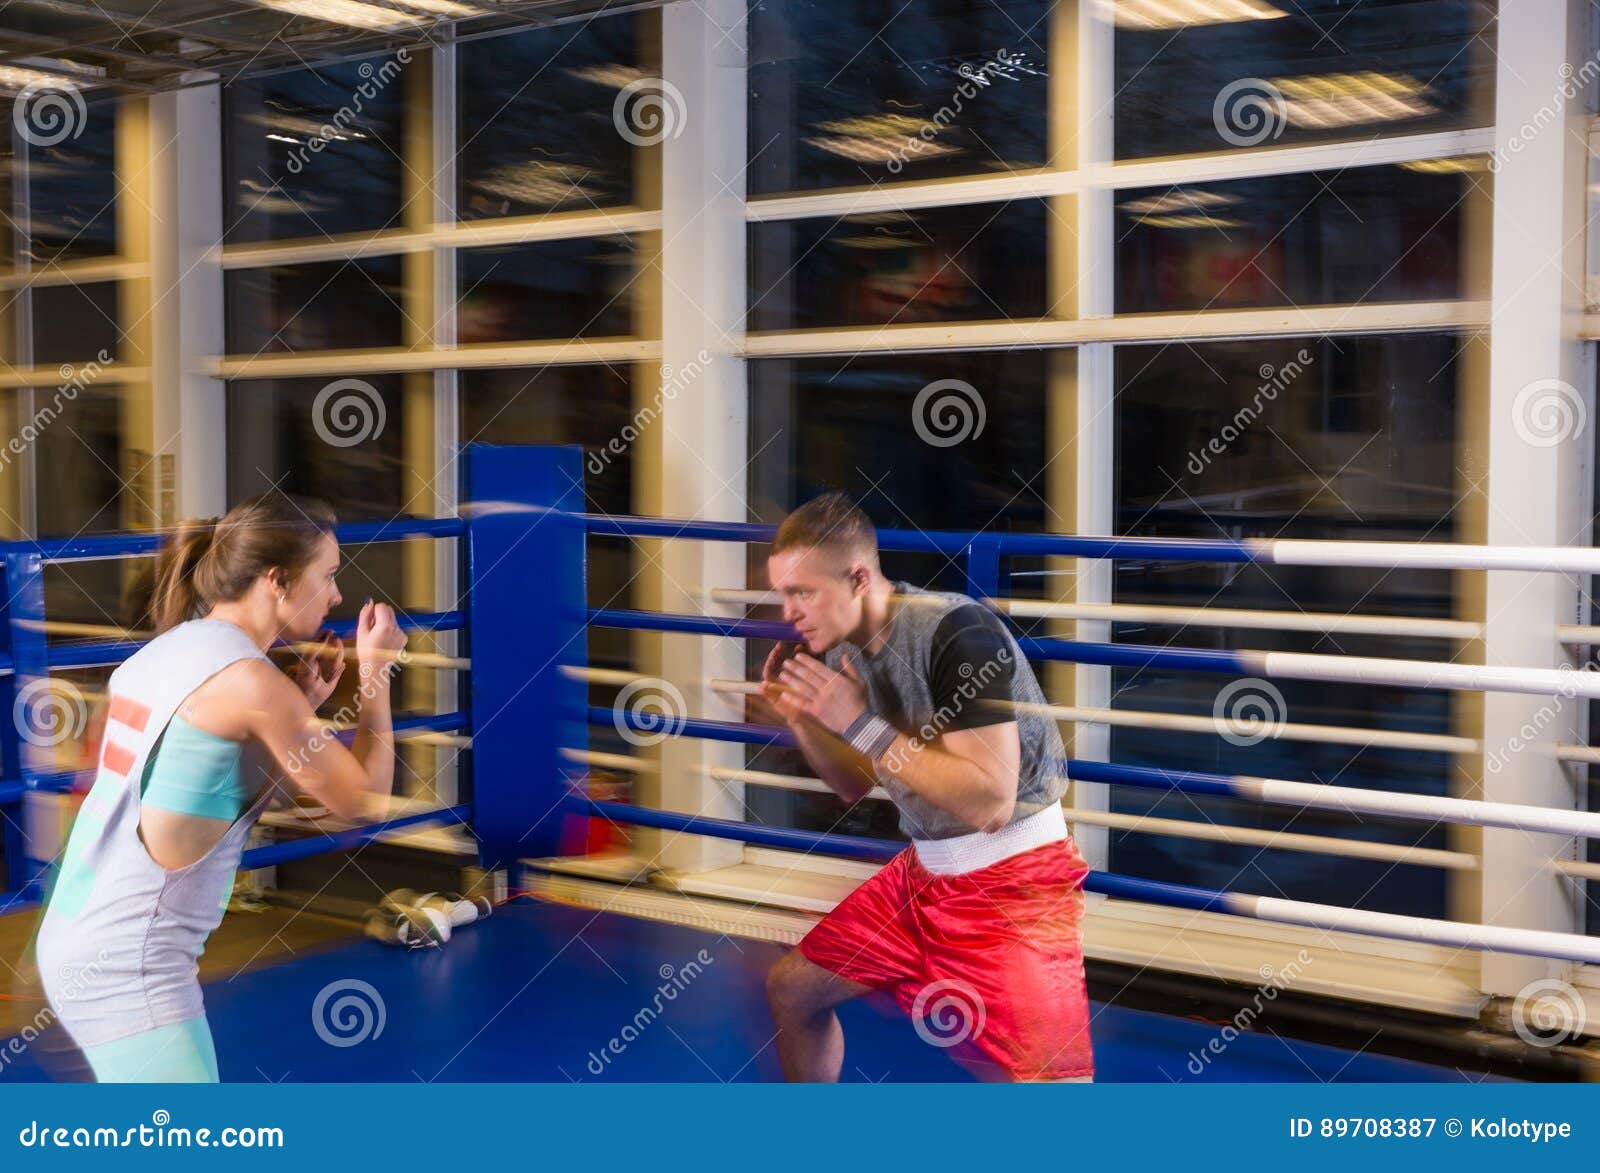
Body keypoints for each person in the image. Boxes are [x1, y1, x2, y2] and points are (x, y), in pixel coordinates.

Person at [31, 493, 406, 1083]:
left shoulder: (168, 652)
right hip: (130, 965)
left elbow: (196, 785)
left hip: (81, 936)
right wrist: (376, 674)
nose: (336, 595)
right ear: (278, 580)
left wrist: (301, 707)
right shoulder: (251, 683)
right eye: (328, 575)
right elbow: (359, 802)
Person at [760, 493, 1094, 1083]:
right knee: (793, 989)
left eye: (802, 592)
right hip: (924, 879)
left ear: (859, 577)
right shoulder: (841, 650)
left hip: (1012, 885)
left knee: (1050, 1089)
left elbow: (990, 801)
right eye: (783, 594)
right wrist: (805, 722)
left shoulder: (956, 632)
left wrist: (859, 722)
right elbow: (851, 787)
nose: (788, 612)